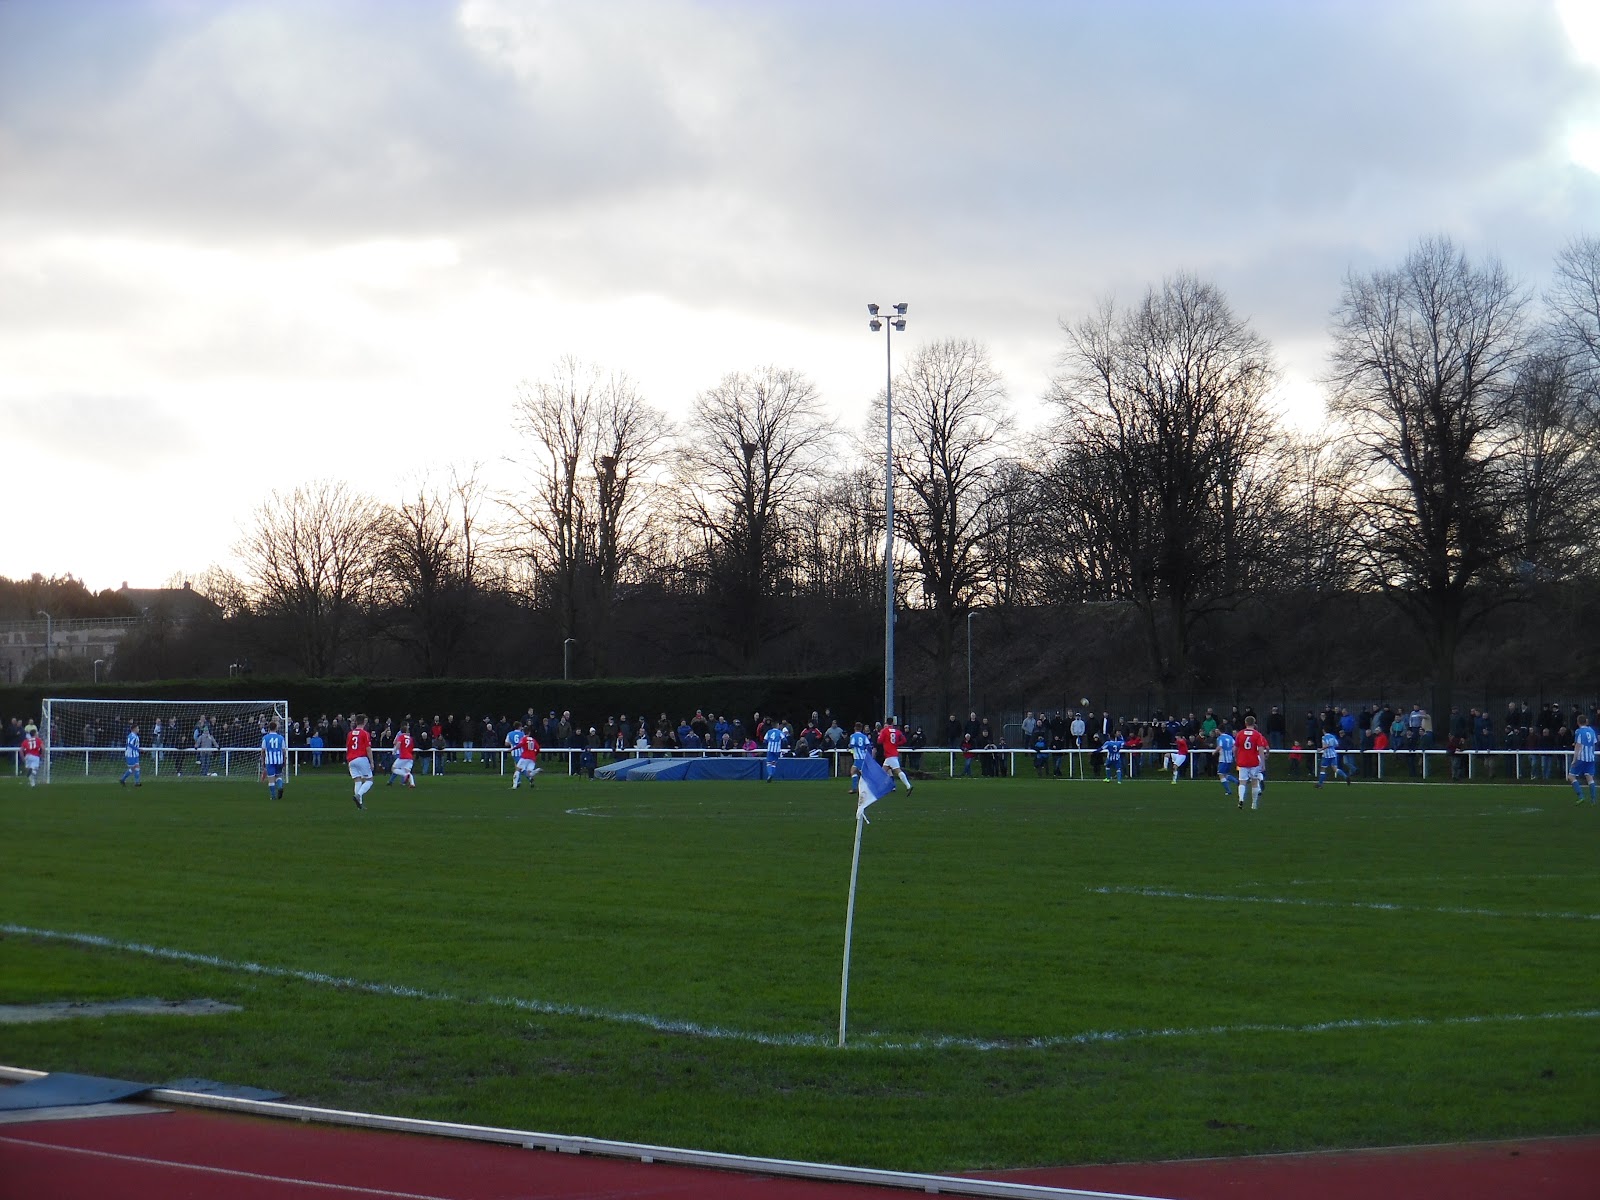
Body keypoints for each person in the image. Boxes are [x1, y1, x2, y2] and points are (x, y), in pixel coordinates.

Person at [1235, 715, 1268, 810]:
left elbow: (1235, 748)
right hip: (1254, 762)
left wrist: (1237, 758)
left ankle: (1241, 799)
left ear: (1245, 723)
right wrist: (1262, 764)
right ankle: (1254, 804)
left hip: (1242, 761)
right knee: (1254, 782)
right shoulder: (1257, 735)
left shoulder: (1240, 734)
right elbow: (1261, 750)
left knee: (1242, 782)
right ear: (1254, 723)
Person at [876, 715, 915, 793]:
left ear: (886, 722)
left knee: (897, 770)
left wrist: (880, 737)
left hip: (890, 755)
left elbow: (879, 741)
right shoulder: (897, 731)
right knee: (883, 771)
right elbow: (904, 740)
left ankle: (908, 785)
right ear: (893, 723)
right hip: (891, 754)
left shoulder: (884, 731)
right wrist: (896, 743)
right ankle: (882, 787)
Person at [347, 714, 374, 810]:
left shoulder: (350, 733)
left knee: (357, 780)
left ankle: (360, 804)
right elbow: (368, 748)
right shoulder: (365, 733)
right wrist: (371, 761)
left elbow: (348, 747)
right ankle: (358, 795)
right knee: (369, 780)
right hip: (361, 758)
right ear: (364, 722)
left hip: (351, 759)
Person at [1570, 713, 1597, 804]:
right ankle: (1593, 799)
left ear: (1578, 722)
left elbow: (1578, 746)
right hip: (1590, 758)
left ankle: (1581, 796)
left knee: (1571, 776)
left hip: (1581, 757)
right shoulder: (1592, 730)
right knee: (1590, 778)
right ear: (1586, 721)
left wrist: (1574, 759)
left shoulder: (1578, 731)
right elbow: (1593, 744)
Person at [846, 722, 875, 796]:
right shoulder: (864, 736)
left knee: (863, 774)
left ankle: (870, 787)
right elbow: (868, 745)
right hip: (863, 757)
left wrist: (849, 746)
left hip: (859, 758)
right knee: (853, 771)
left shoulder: (853, 736)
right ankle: (855, 788)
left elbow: (851, 745)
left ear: (855, 728)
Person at [261, 718, 287, 799]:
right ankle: (280, 786)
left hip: (270, 761)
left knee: (271, 779)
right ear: (276, 728)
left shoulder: (265, 738)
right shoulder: (281, 738)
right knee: (278, 776)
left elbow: (263, 751)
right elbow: (284, 751)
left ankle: (273, 796)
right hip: (279, 760)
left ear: (269, 728)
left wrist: (263, 761)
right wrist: (284, 760)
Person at [388, 722, 417, 789]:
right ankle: (412, 784)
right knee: (407, 771)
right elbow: (411, 748)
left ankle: (405, 775)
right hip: (410, 757)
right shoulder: (410, 738)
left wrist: (395, 750)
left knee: (393, 768)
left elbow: (398, 744)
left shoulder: (401, 736)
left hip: (403, 756)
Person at [512, 724, 541, 789]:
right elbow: (538, 749)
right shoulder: (533, 740)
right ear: (529, 732)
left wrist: (512, 749)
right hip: (532, 758)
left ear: (523, 732)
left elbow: (520, 745)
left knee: (517, 770)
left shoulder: (524, 739)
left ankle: (514, 785)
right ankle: (536, 771)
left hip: (524, 757)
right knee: (529, 773)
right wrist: (534, 754)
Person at [1215, 727, 1237, 798]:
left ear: (1219, 731)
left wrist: (1214, 752)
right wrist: (1233, 754)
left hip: (1223, 759)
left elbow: (1220, 746)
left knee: (1221, 774)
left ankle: (1229, 790)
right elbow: (1235, 745)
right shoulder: (1230, 737)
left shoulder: (1220, 738)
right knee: (1225, 774)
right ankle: (1237, 782)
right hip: (1230, 758)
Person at [119, 722, 142, 787]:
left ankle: (137, 782)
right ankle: (123, 779)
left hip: (135, 754)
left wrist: (137, 750)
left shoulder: (136, 736)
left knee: (137, 767)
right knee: (133, 768)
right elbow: (129, 744)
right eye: (137, 728)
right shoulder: (131, 736)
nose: (138, 729)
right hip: (130, 755)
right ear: (134, 729)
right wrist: (138, 749)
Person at [20, 721, 42, 788]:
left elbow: (21, 750)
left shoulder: (26, 741)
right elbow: (43, 748)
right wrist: (42, 755)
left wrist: (23, 758)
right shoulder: (38, 740)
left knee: (29, 769)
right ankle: (32, 771)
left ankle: (33, 784)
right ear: (35, 734)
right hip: (35, 756)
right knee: (35, 769)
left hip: (27, 756)